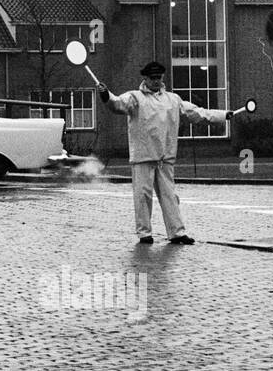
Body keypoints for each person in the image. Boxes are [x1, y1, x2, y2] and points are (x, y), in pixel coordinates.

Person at [98, 61, 234, 244]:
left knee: (169, 196)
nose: (156, 81)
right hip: (143, 156)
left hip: (165, 156)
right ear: (145, 78)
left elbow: (197, 113)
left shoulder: (173, 99)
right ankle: (144, 233)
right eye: (152, 78)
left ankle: (177, 232)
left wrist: (223, 115)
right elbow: (117, 104)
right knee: (142, 197)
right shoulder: (135, 98)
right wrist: (106, 95)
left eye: (158, 78)